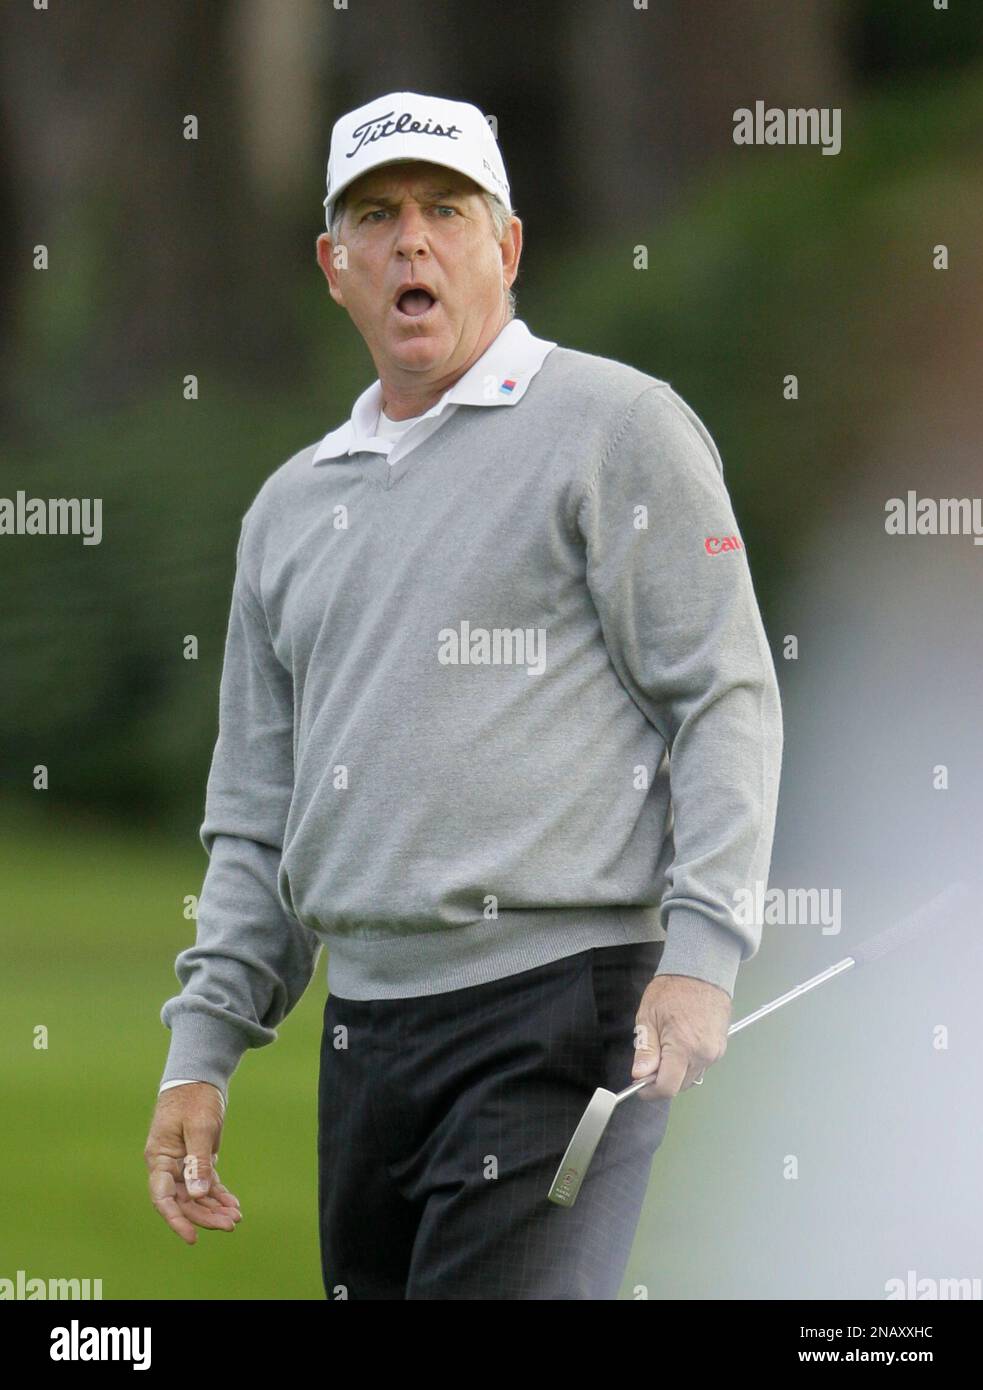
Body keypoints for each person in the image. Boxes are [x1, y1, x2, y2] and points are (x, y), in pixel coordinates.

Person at [144, 90, 784, 1300]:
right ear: (335, 267)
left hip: (562, 1017)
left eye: (446, 209)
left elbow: (723, 699)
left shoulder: (616, 426)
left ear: (507, 245)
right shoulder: (288, 507)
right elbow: (254, 811)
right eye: (377, 218)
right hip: (368, 1036)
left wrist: (701, 955)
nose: (412, 242)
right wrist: (202, 1048)